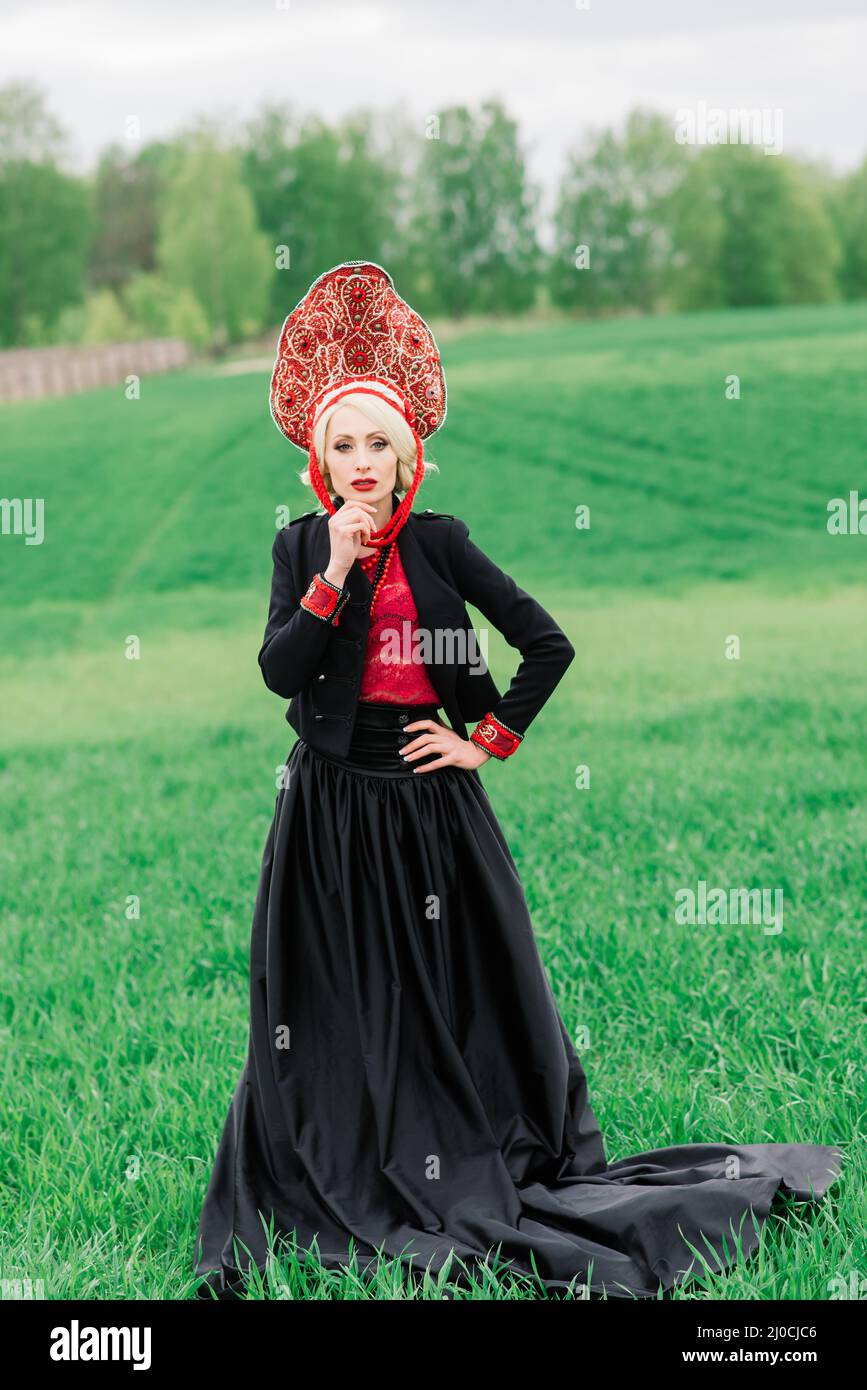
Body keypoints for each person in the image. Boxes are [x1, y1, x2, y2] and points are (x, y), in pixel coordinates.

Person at [193, 262, 842, 1299]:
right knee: (330, 1003)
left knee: (465, 995)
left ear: (408, 456)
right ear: (320, 458)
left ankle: (465, 1150)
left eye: (379, 444)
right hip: (324, 810)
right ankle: (341, 1161)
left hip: (433, 812)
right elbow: (280, 670)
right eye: (343, 445)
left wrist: (481, 738)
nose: (362, 462)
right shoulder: (299, 546)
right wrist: (330, 576)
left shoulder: (442, 548)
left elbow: (546, 642)